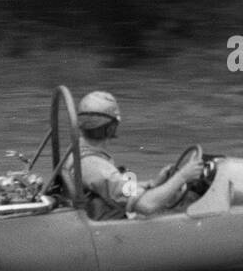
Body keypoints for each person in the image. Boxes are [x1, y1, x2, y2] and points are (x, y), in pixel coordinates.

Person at [74, 90, 203, 220]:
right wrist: (183, 176)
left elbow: (118, 190)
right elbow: (147, 205)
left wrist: (153, 184)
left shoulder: (78, 152)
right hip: (112, 228)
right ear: (111, 129)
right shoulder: (98, 168)